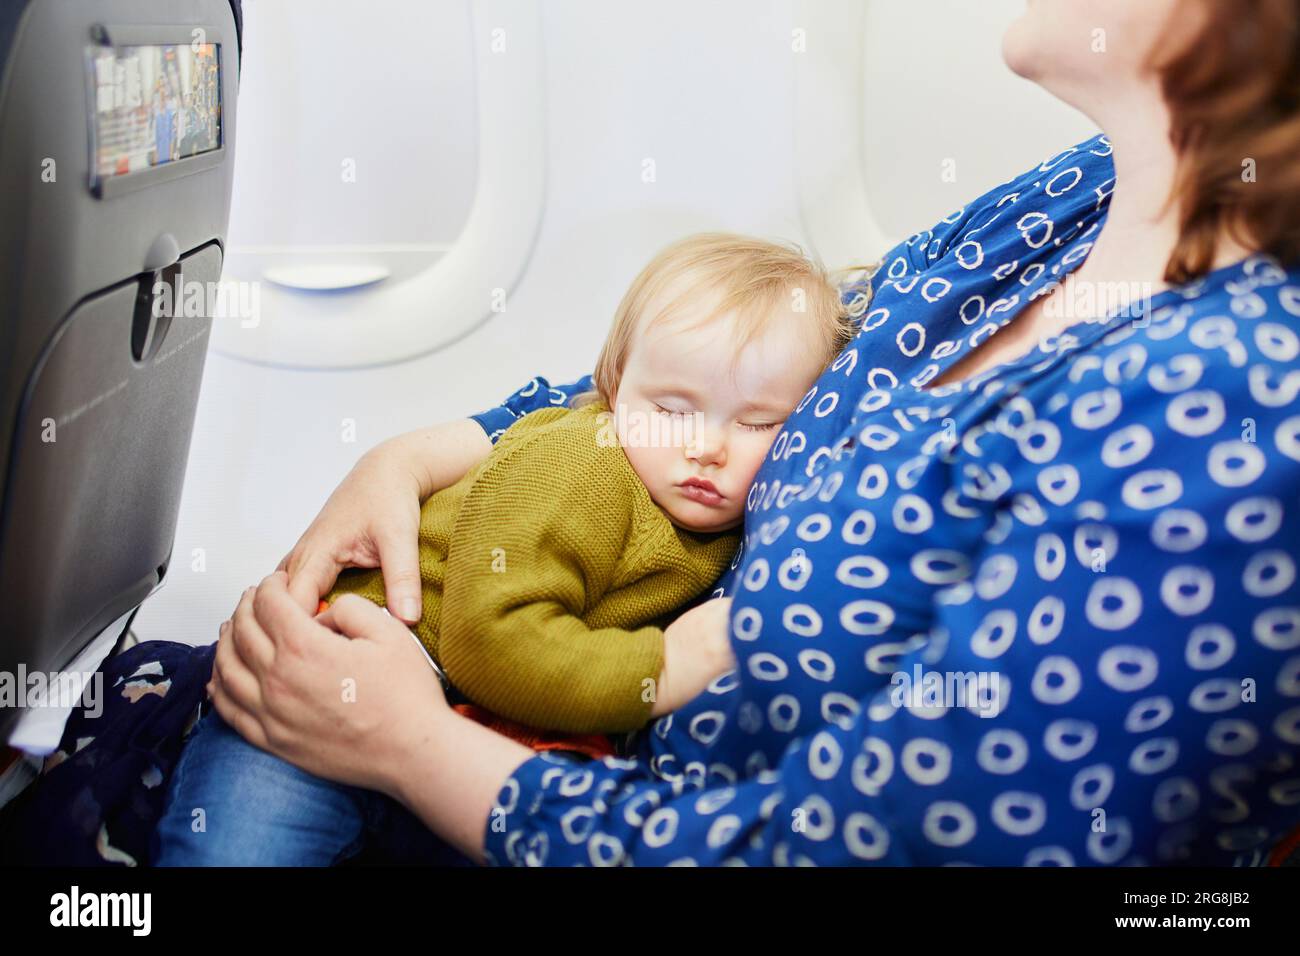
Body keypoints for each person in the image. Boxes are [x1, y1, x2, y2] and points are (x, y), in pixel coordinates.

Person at [169, 0, 1300, 866]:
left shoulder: (1242, 409)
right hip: (576, 752)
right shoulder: (1072, 199)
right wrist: (423, 450)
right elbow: (738, 363)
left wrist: (411, 748)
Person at [152, 234, 857, 864]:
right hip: (338, 665)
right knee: (239, 847)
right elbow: (489, 641)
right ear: (612, 390)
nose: (706, 447)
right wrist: (663, 668)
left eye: (760, 423)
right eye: (672, 410)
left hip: (449, 712)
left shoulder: (714, 513)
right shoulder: (582, 467)